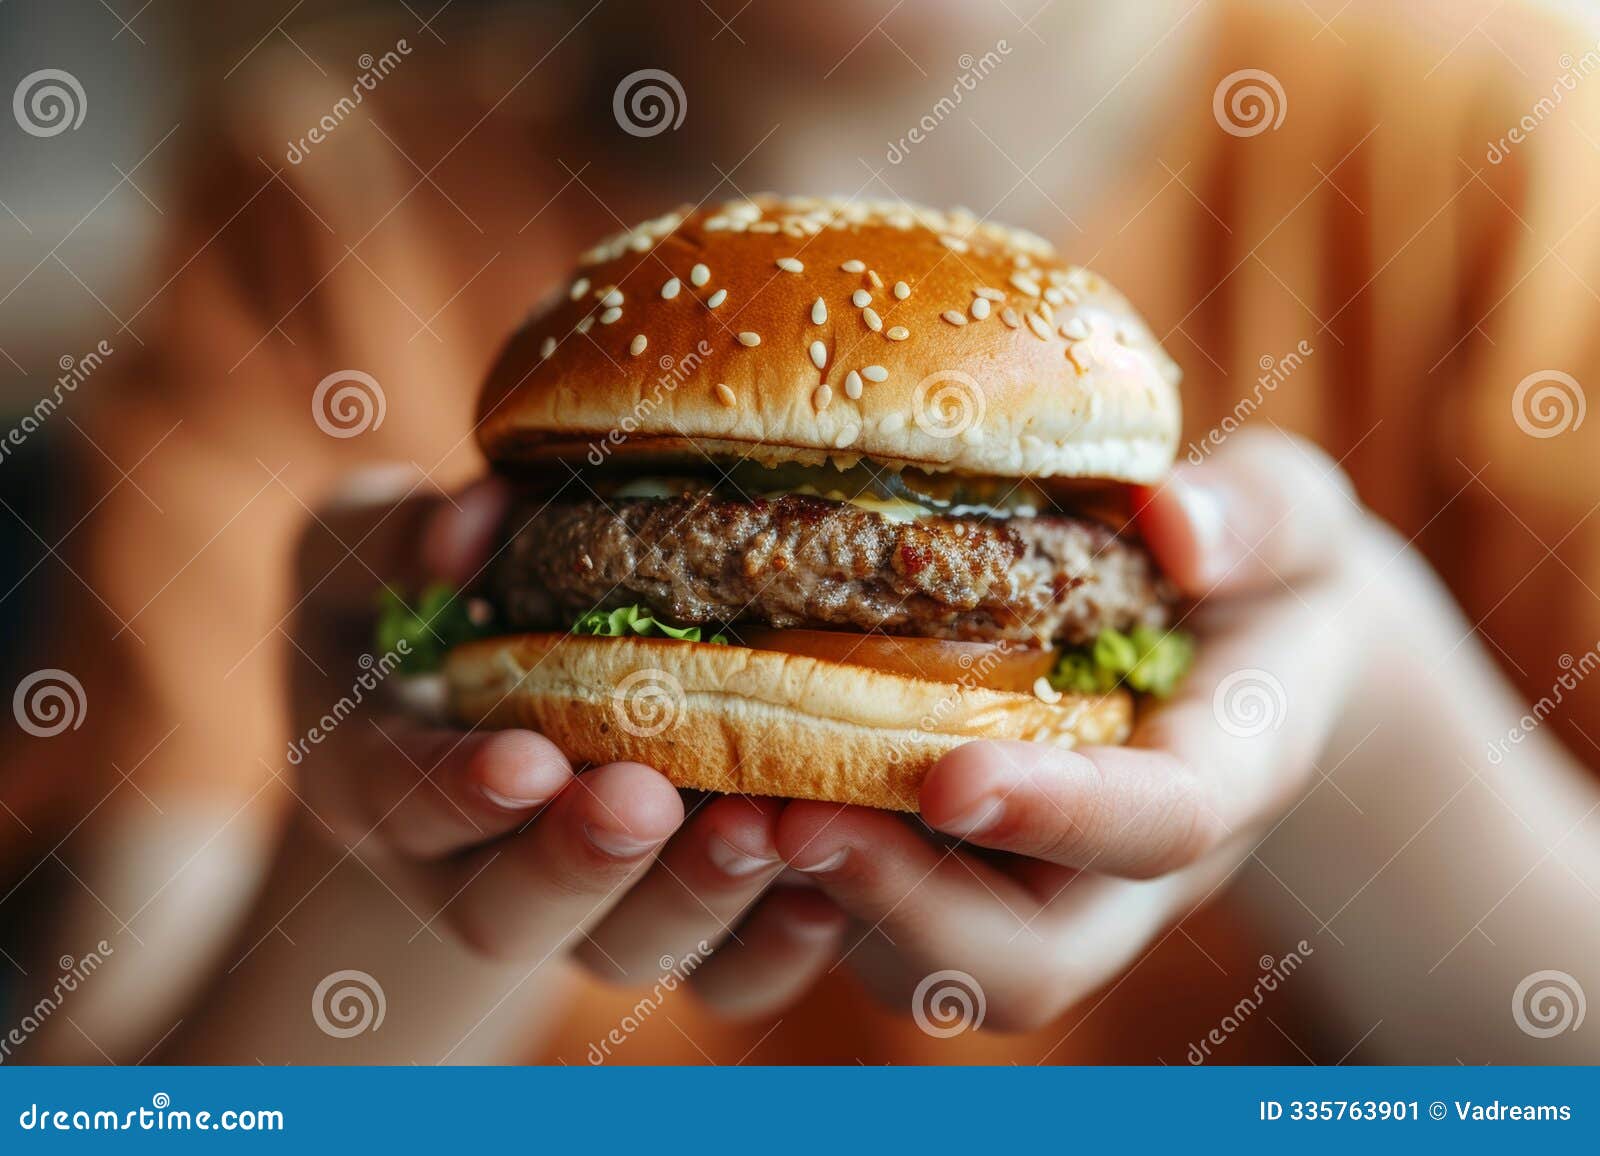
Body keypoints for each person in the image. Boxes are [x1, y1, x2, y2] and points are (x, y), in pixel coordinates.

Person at [4, 0, 1599, 1063]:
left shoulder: (1504, 145)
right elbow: (128, 1077)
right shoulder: (321, 207)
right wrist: (380, 863)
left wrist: (1365, 715)